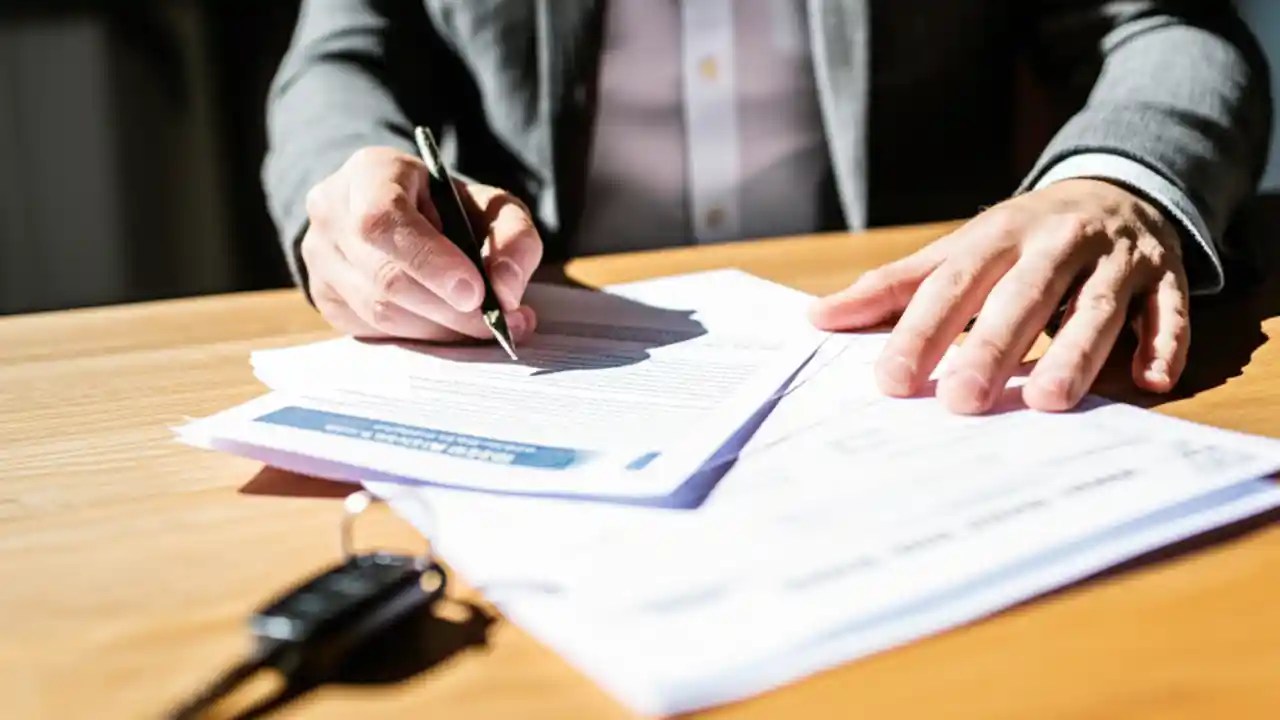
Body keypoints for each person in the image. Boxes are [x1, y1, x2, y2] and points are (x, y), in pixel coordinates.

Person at [264, 1, 1271, 415]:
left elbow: (1163, 25)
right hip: (540, 349)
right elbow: (340, 55)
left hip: (899, 367)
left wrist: (1114, 179)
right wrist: (348, 192)